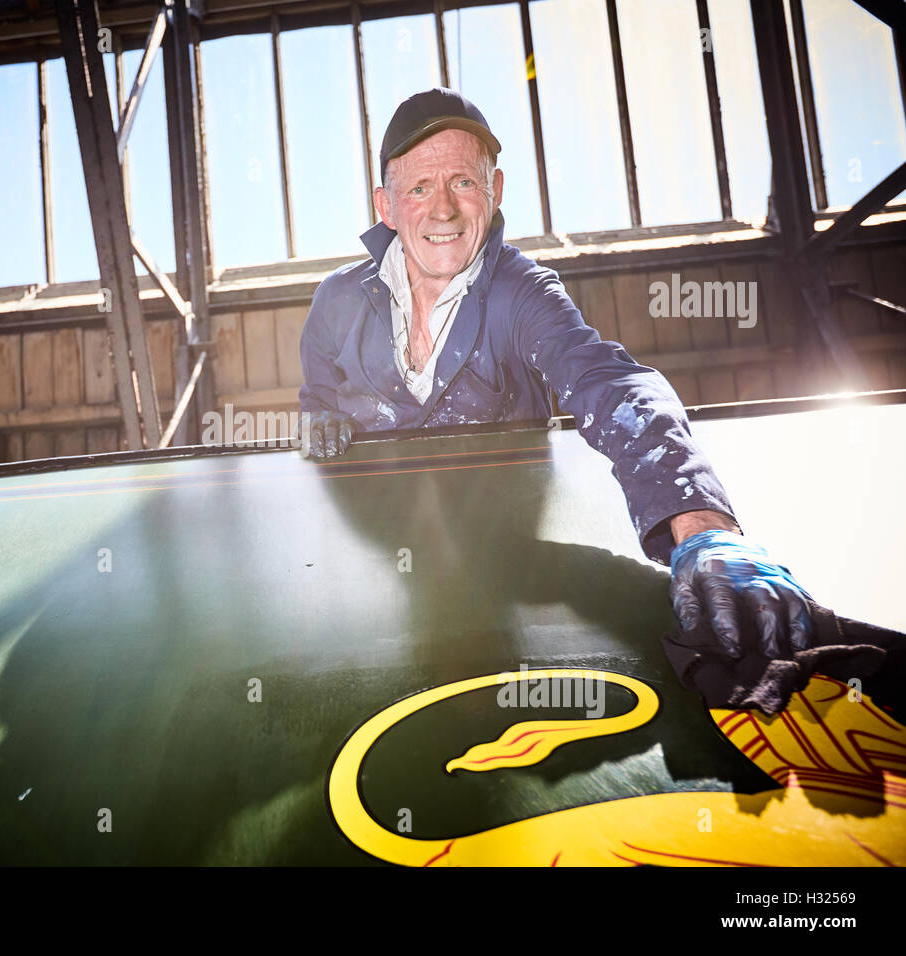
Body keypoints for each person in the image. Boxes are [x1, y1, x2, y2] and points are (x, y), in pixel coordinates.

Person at [298, 87, 811, 661]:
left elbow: (608, 384)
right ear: (385, 206)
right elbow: (318, 397)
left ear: (495, 191)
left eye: (463, 182)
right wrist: (318, 419)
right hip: (380, 569)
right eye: (419, 188)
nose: (443, 209)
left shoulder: (525, 294)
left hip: (507, 557)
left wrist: (701, 524)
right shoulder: (334, 303)